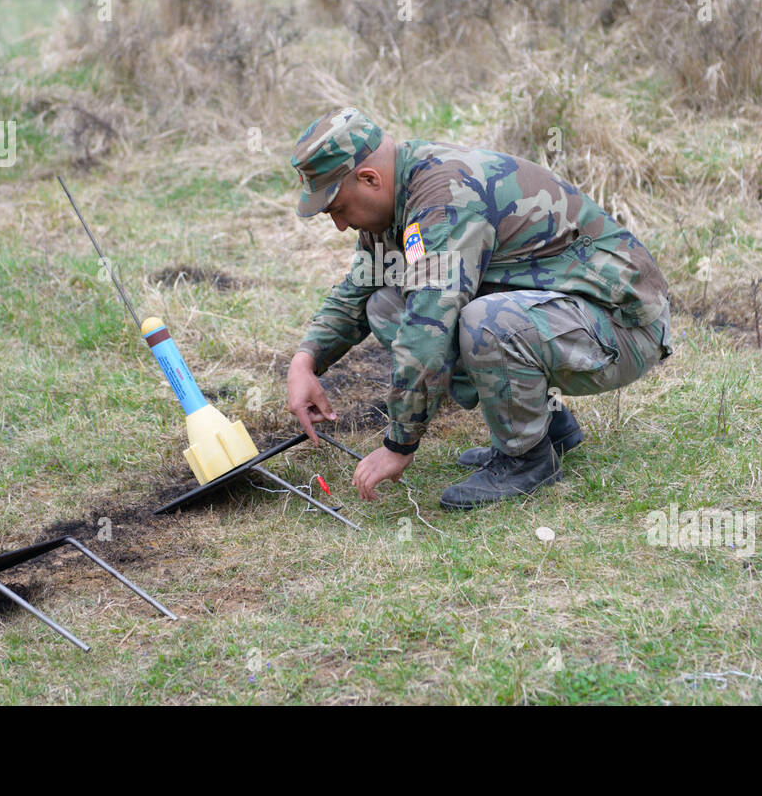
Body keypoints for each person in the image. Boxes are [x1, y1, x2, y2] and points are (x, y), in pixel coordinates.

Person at [285, 107, 672, 511]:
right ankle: (546, 424)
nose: (341, 226)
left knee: (483, 322)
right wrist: (305, 361)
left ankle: (527, 459)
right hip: (565, 314)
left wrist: (398, 444)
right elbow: (360, 288)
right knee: (385, 305)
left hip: (622, 325)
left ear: (369, 179)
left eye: (338, 209)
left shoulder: (445, 198)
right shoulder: (399, 200)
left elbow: (428, 329)